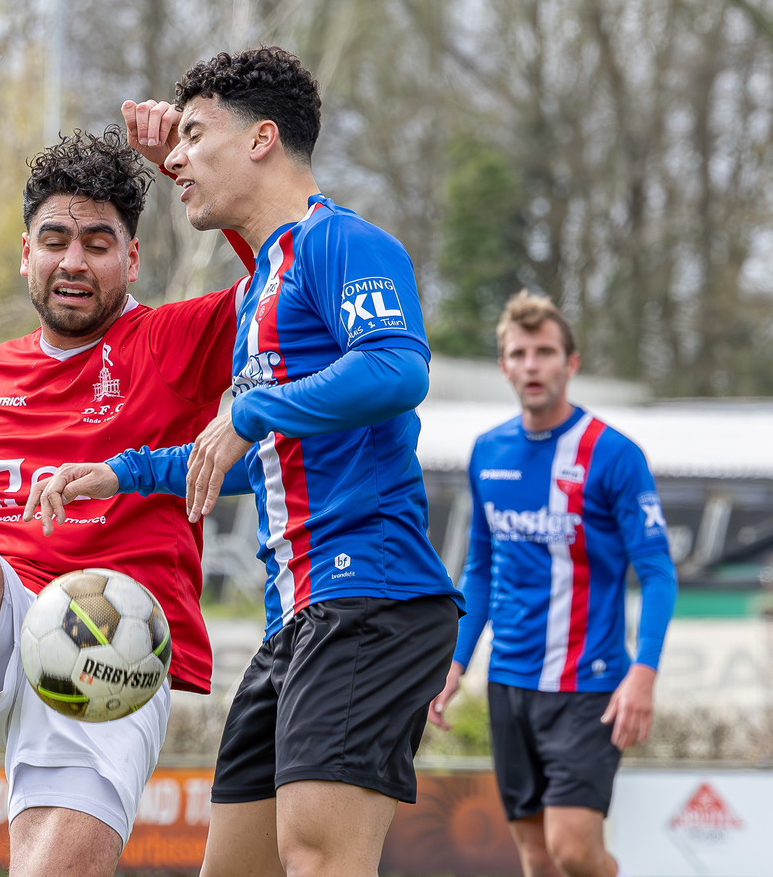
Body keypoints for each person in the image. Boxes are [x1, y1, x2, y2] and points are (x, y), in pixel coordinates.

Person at [27, 46, 464, 877]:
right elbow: (243, 454)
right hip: (295, 616)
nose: (177, 157)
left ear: (263, 139)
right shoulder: (261, 284)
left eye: (195, 135)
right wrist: (121, 473)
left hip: (367, 597)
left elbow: (398, 368)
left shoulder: (344, 241)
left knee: (317, 859)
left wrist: (251, 409)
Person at [0, 126, 252, 877]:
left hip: (110, 649)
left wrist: (196, 171)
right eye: (55, 238)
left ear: (132, 258)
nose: (74, 260)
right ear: (24, 253)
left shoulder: (173, 340)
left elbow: (287, 282)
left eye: (98, 243)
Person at [426, 290, 676, 877]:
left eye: (545, 351)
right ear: (504, 367)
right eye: (520, 353)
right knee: (537, 859)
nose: (532, 364)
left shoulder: (613, 455)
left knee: (573, 851)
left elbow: (659, 574)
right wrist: (457, 662)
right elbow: (481, 570)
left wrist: (644, 672)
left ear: (572, 363)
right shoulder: (488, 453)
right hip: (509, 684)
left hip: (589, 686)